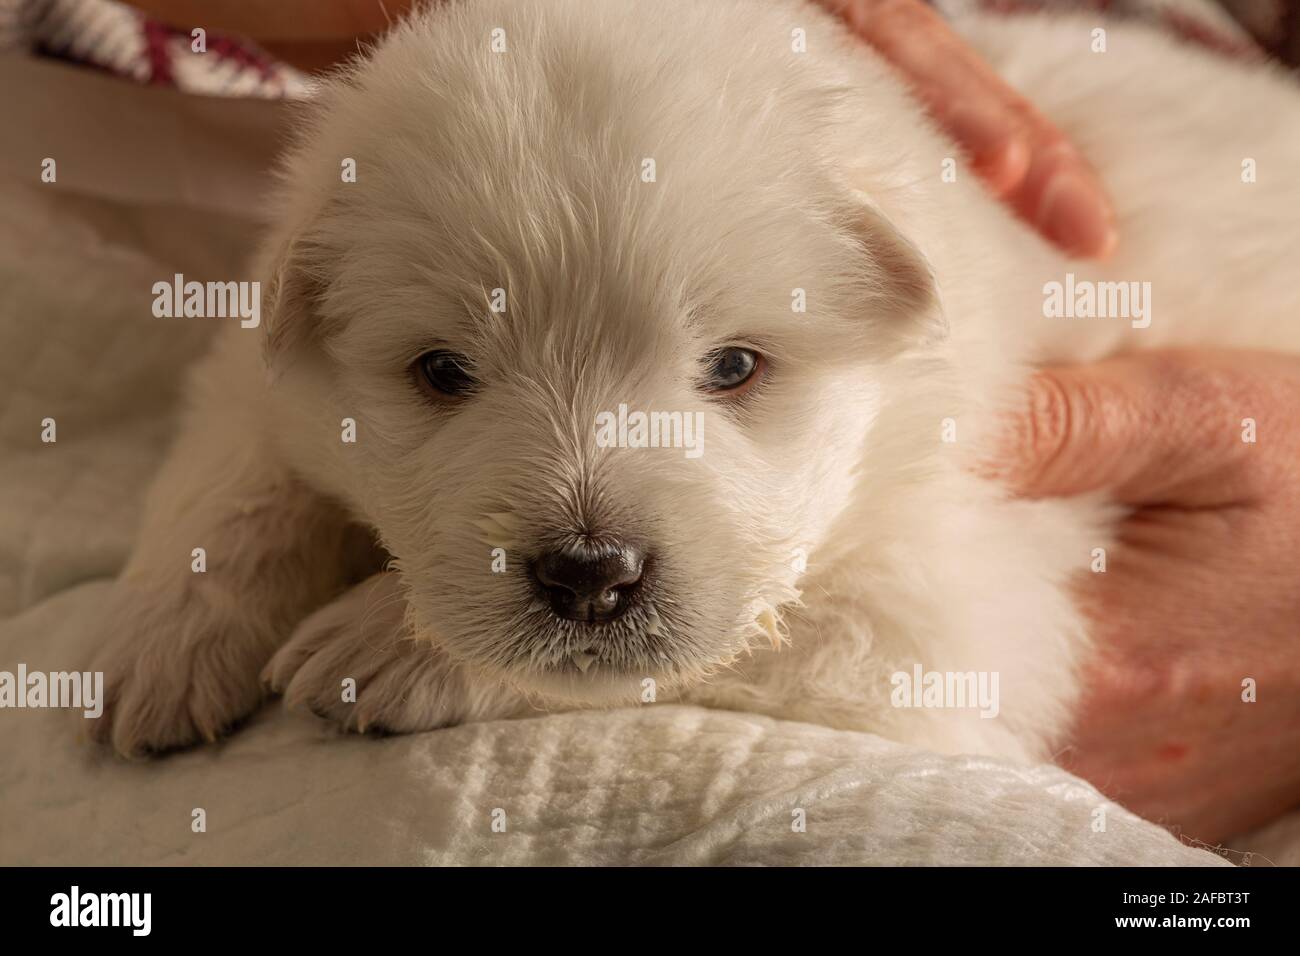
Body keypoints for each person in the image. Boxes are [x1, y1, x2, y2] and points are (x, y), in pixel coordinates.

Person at [123, 0, 1298, 843]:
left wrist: (514, 675)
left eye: (731, 369)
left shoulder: (926, 351)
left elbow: (947, 665)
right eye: (444, 373)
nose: (587, 549)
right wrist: (222, 552)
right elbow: (261, 375)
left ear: (897, 292)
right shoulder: (351, 228)